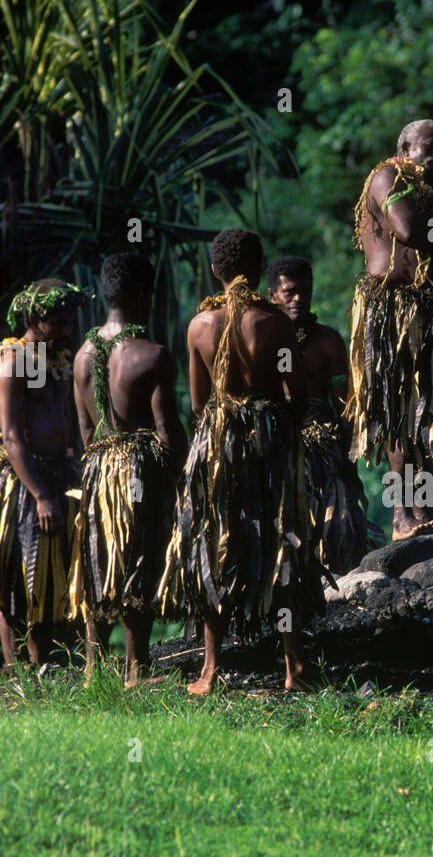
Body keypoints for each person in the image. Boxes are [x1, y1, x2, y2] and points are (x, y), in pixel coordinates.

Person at [157, 228, 317, 694]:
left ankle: (209, 669)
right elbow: (297, 393)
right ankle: (294, 666)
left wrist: (228, 422)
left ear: (216, 270)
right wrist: (278, 425)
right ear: (258, 266)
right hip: (270, 439)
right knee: (282, 540)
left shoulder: (200, 327)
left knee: (213, 543)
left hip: (218, 445)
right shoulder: (276, 324)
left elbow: (198, 401)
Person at [346, 118, 433, 540]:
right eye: (429, 145)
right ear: (404, 147)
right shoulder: (387, 177)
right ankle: (401, 515)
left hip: (432, 309)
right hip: (393, 310)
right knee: (400, 413)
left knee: (432, 412)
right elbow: (408, 229)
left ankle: (423, 511)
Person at [68, 253, 187, 686]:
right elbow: (167, 429)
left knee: (98, 560)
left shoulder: (82, 356)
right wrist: (180, 477)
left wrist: (103, 464)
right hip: (139, 468)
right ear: (144, 298)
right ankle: (136, 669)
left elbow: (84, 429)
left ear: (105, 295)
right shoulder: (153, 355)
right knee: (139, 557)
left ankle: (93, 667)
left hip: (97, 469)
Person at [0, 279, 84, 668]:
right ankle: (19, 672)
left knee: (55, 573)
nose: (67, 330)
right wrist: (40, 494)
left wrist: (78, 465)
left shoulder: (50, 357)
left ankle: (48, 663)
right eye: (59, 323)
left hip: (57, 474)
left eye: (71, 322)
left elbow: (62, 413)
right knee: (20, 575)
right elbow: (13, 436)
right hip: (26, 481)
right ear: (35, 318)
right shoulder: (14, 361)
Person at [267, 255, 368, 574]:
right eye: (290, 292)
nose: (298, 299)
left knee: (336, 529)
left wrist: (347, 456)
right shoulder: (261, 340)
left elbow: (345, 405)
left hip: (320, 445)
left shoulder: (328, 341)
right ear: (273, 295)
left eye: (304, 291)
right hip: (276, 445)